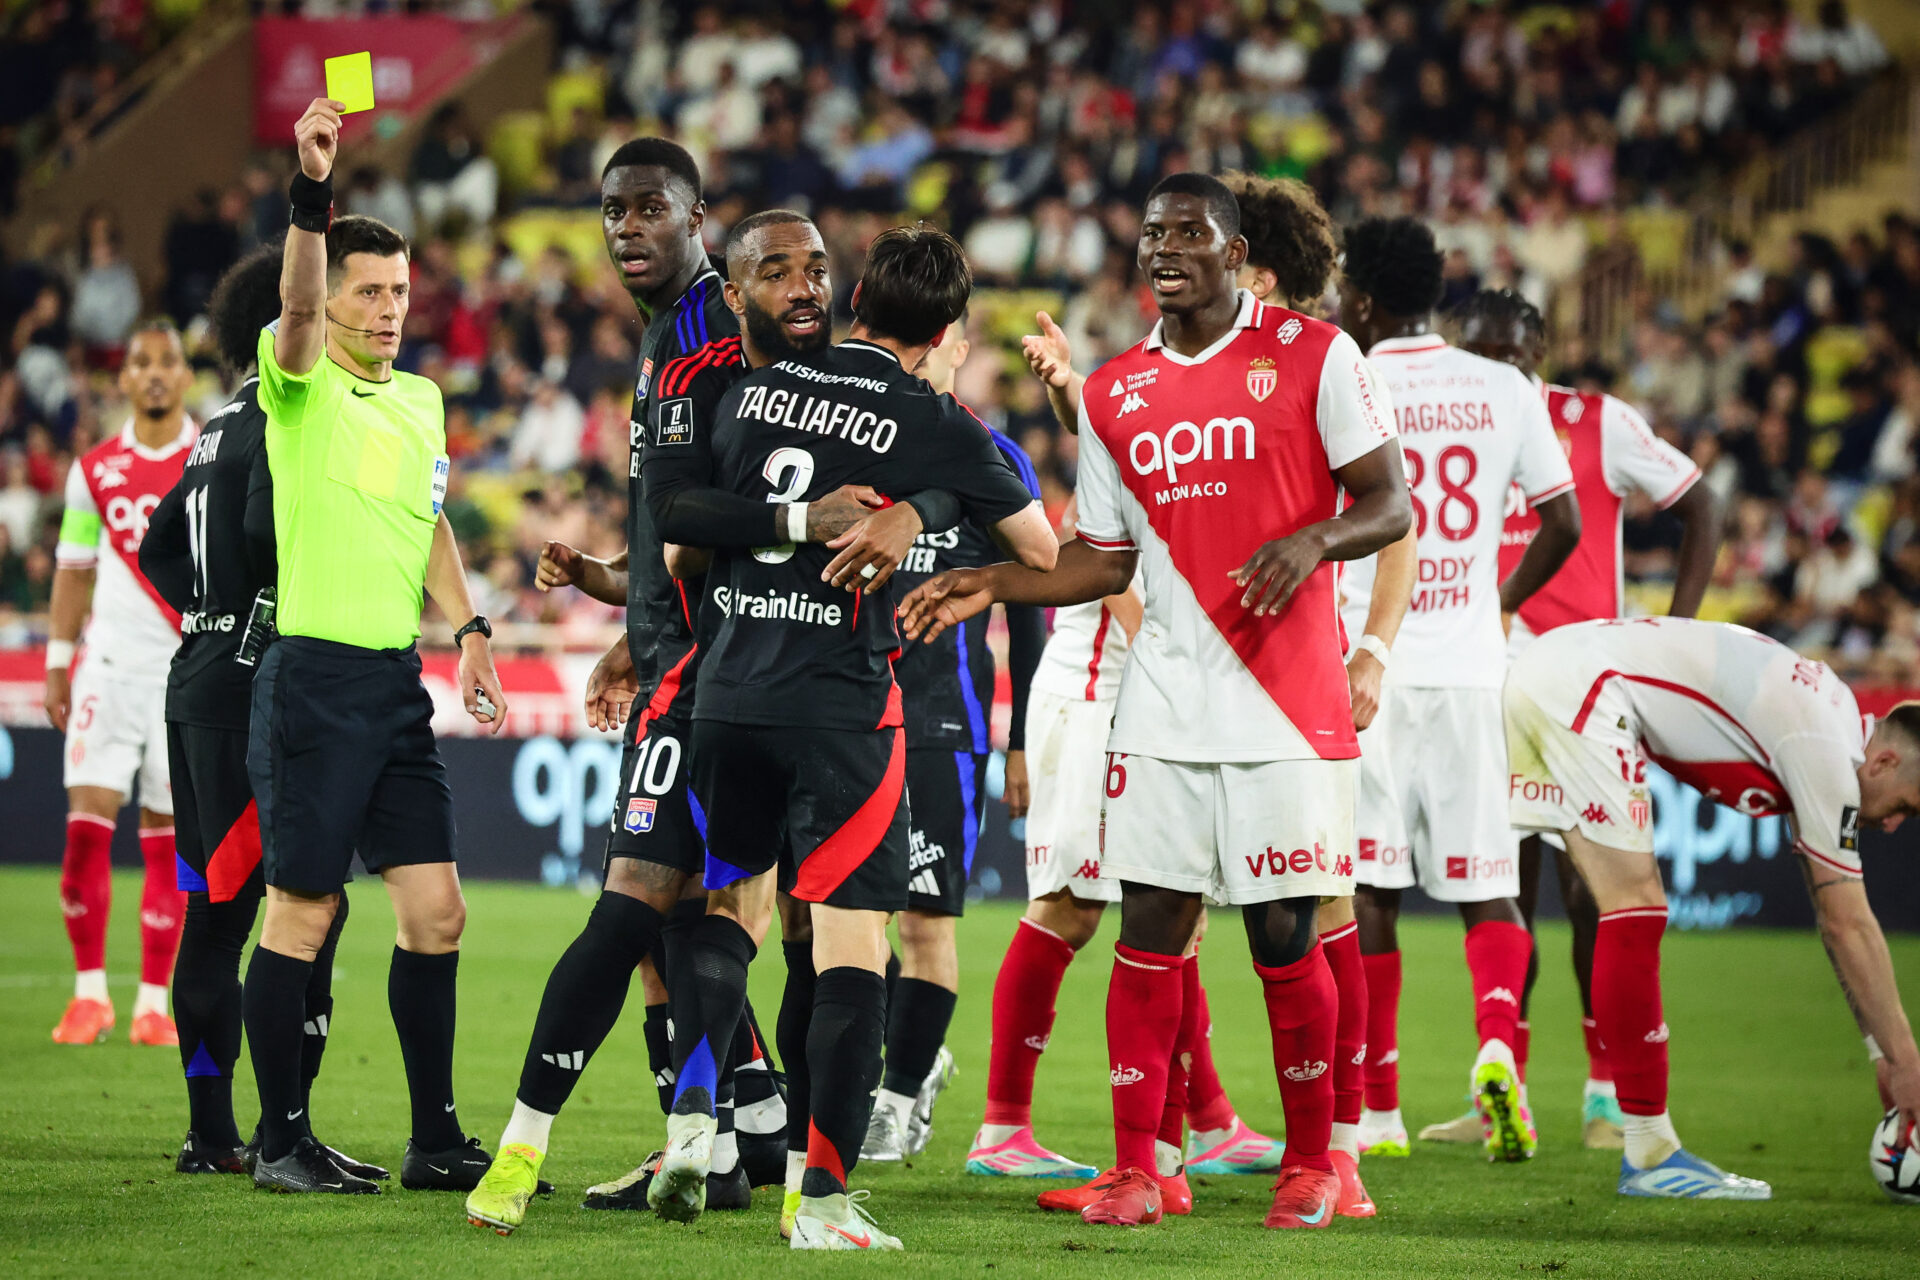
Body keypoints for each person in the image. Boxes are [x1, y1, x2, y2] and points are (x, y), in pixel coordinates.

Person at [903, 173, 1412, 1231]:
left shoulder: (1317, 355)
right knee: (1151, 928)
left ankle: (1316, 1162)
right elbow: (1097, 558)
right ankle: (1141, 1168)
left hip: (1285, 700)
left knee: (1284, 933)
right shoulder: (1120, 393)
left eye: (1192, 233)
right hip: (1166, 700)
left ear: (1236, 252)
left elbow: (1389, 500)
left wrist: (1315, 539)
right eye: (1153, 234)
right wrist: (991, 582)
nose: (1167, 248)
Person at [642, 222, 1056, 1250]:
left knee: (731, 910)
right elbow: (1044, 558)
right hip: (847, 713)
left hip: (730, 692)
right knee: (848, 946)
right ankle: (818, 1194)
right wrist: (927, 503)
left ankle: (696, 1120)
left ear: (855, 295)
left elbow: (682, 536)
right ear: (948, 330)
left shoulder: (753, 383)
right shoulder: (938, 422)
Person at [239, 97, 506, 1195]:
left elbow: (428, 518)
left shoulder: (425, 402)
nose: (391, 310)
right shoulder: (295, 384)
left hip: (394, 683)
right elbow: (295, 301)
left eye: (399, 292)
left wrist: (472, 626)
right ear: (333, 302)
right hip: (311, 680)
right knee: (300, 911)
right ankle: (280, 1137)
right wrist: (313, 191)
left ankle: (434, 1136)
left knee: (437, 912)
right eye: (371, 293)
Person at [1408, 287, 1722, 1150]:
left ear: (1539, 349)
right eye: (1479, 348)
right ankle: (1500, 1081)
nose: (1497, 364)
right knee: (1501, 890)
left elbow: (1701, 505)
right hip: (1488, 686)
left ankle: (1604, 1093)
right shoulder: (1451, 416)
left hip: (1587, 693)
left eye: (1511, 350)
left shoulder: (1599, 422)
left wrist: (1673, 636)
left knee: (1595, 895)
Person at [1506, 616, 1920, 1197]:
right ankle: (1650, 1153)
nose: (1896, 824)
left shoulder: (1831, 724)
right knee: (1635, 908)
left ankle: (1648, 1145)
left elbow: (1832, 918)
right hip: (1580, 687)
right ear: (1885, 764)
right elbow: (1848, 920)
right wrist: (1908, 1066)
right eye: (1907, 806)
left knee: (1631, 909)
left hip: (1564, 672)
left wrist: (1882, 1050)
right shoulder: (1825, 746)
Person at [1336, 217, 1580, 1166]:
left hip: (1372, 663)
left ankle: (1379, 1108)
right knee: (1491, 888)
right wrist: (1498, 599)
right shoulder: (1506, 385)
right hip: (1475, 666)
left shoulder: (1350, 376)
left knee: (1370, 891)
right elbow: (1559, 521)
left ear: (1362, 297)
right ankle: (1493, 1045)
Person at [139, 247, 380, 1182]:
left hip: (193, 681)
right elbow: (259, 533)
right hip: (251, 691)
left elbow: (163, 547)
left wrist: (208, 617)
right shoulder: (283, 425)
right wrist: (270, 612)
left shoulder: (210, 429)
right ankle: (288, 1129)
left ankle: (211, 1131)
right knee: (303, 903)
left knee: (210, 910)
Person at [860, 309, 1049, 1166]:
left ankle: (898, 1102)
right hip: (851, 714)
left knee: (925, 925)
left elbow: (1031, 609)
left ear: (957, 352)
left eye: (925, 345)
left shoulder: (992, 457)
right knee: (846, 919)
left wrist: (1018, 741)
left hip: (948, 724)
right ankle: (911, 1057)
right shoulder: (855, 441)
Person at [44, 318, 196, 1049]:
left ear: (186, 375)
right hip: (107, 669)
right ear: (125, 379)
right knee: (86, 829)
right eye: (143, 362)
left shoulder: (212, 457)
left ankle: (151, 1005)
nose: (157, 373)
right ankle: (88, 995)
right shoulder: (93, 470)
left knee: (167, 839)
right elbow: (73, 574)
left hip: (182, 673)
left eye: (169, 361)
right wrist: (55, 661)